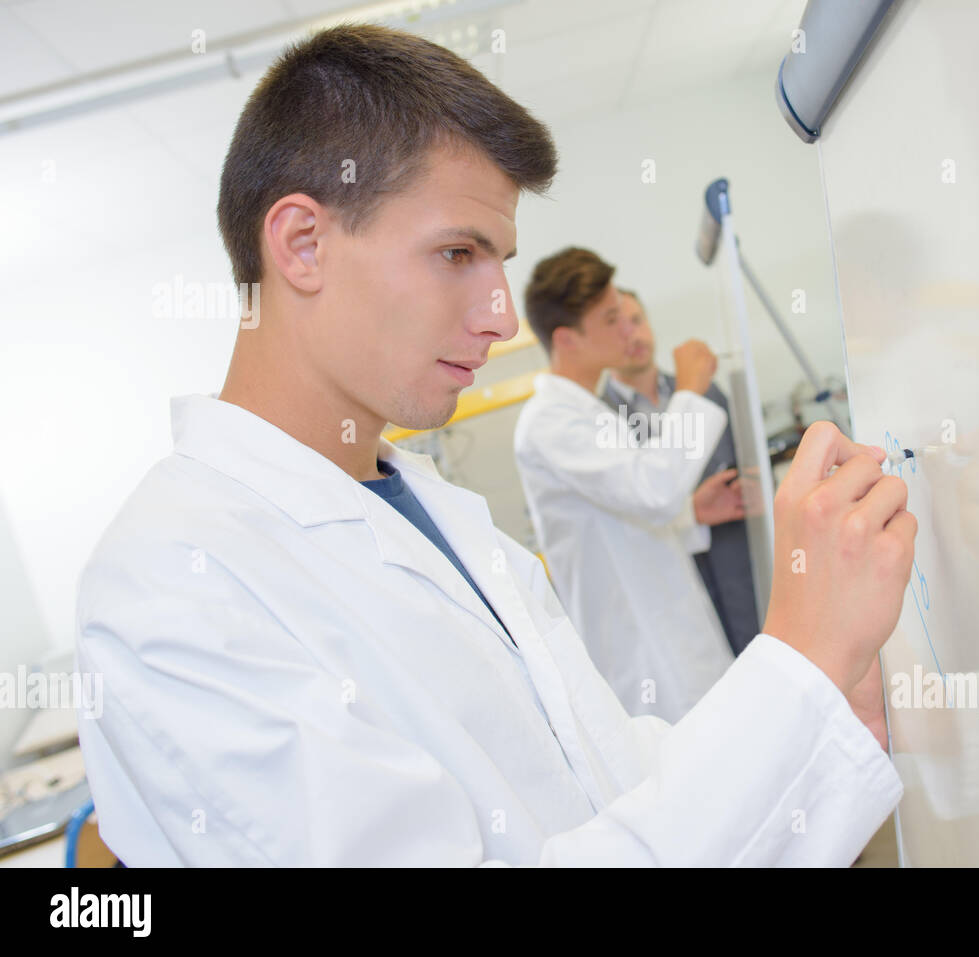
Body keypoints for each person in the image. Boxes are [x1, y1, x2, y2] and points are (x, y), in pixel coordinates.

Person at [74, 24, 917, 867]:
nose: (503, 317)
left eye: (499, 262)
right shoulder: (172, 585)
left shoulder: (436, 509)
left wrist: (825, 714)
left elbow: (608, 778)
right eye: (456, 253)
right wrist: (796, 665)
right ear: (302, 243)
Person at [513, 249, 740, 722]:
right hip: (647, 660)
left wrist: (691, 513)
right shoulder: (550, 421)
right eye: (612, 318)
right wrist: (692, 391)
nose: (628, 331)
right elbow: (652, 491)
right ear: (567, 339)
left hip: (671, 636)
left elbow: (624, 515)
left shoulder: (585, 410)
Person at [602, 287, 761, 657]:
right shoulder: (599, 424)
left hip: (741, 569)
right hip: (671, 590)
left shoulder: (708, 395)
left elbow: (745, 471)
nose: (633, 335)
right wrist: (691, 509)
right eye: (616, 327)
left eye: (637, 321)